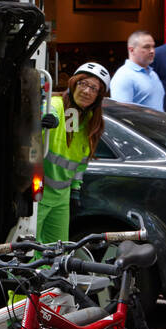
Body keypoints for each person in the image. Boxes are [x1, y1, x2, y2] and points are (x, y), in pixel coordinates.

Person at [37, 63, 109, 244]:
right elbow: (50, 107)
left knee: (56, 250)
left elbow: (78, 155)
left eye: (93, 88)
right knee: (31, 248)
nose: (86, 91)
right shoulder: (59, 105)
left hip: (61, 196)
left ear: (98, 97)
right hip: (40, 194)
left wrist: (75, 187)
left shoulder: (81, 118)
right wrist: (48, 118)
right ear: (73, 84)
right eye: (82, 84)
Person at [109, 30, 165, 109]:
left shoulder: (153, 74)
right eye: (147, 47)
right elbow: (122, 113)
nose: (152, 51)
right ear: (132, 50)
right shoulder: (123, 76)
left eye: (153, 46)